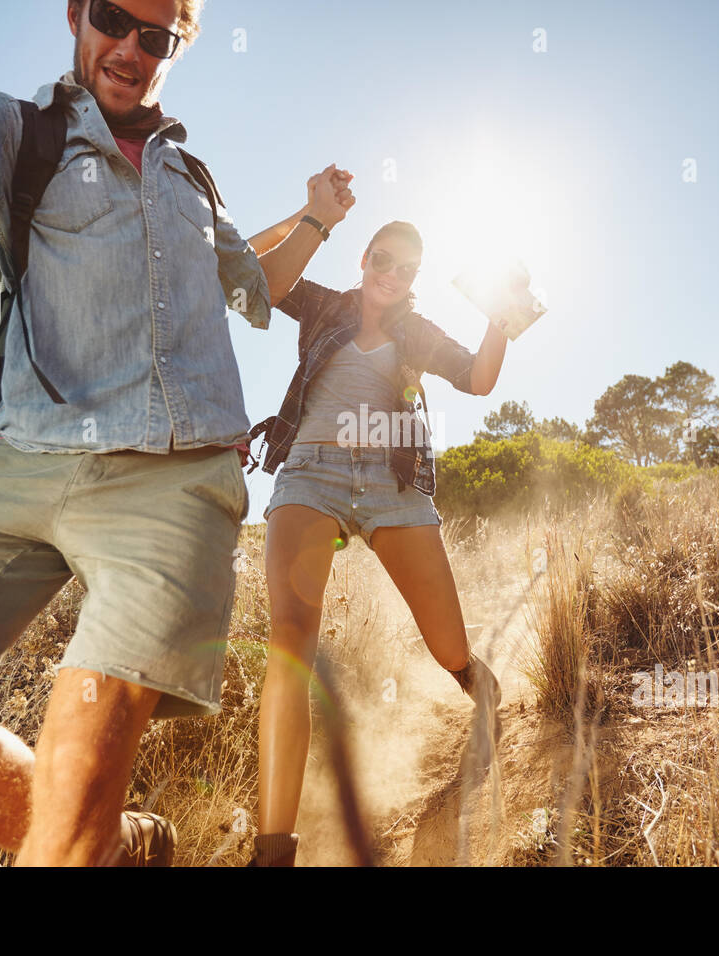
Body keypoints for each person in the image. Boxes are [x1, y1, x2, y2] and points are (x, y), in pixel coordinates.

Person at [0, 0, 353, 866]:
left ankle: (85, 833)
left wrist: (316, 222)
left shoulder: (192, 180)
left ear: (177, 48)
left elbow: (251, 286)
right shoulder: (15, 133)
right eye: (115, 16)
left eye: (157, 36)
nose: (130, 47)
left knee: (76, 788)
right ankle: (117, 845)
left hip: (171, 479)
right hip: (14, 461)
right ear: (77, 13)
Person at [246, 220, 513, 866]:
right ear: (365, 257)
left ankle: (479, 690)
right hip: (311, 473)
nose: (391, 275)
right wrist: (309, 217)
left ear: (415, 279)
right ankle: (274, 849)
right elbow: (250, 266)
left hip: (393, 487)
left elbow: (479, 379)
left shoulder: (417, 332)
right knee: (291, 645)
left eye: (406, 269)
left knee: (447, 643)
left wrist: (501, 319)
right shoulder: (320, 304)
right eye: (383, 259)